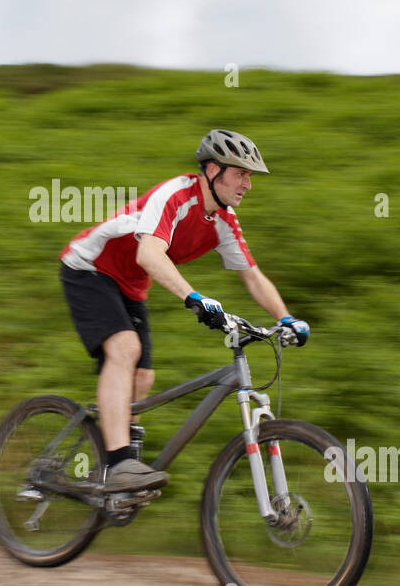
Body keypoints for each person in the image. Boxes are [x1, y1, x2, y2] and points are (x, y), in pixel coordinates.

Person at [58, 128, 310, 492]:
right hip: (89, 267)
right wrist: (194, 297)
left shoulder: (223, 221)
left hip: (131, 284)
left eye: (250, 176)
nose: (248, 185)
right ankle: (117, 464)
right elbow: (148, 253)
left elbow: (253, 277)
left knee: (142, 377)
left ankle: (115, 474)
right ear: (212, 171)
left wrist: (286, 319)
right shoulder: (175, 194)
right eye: (241, 173)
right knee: (125, 349)